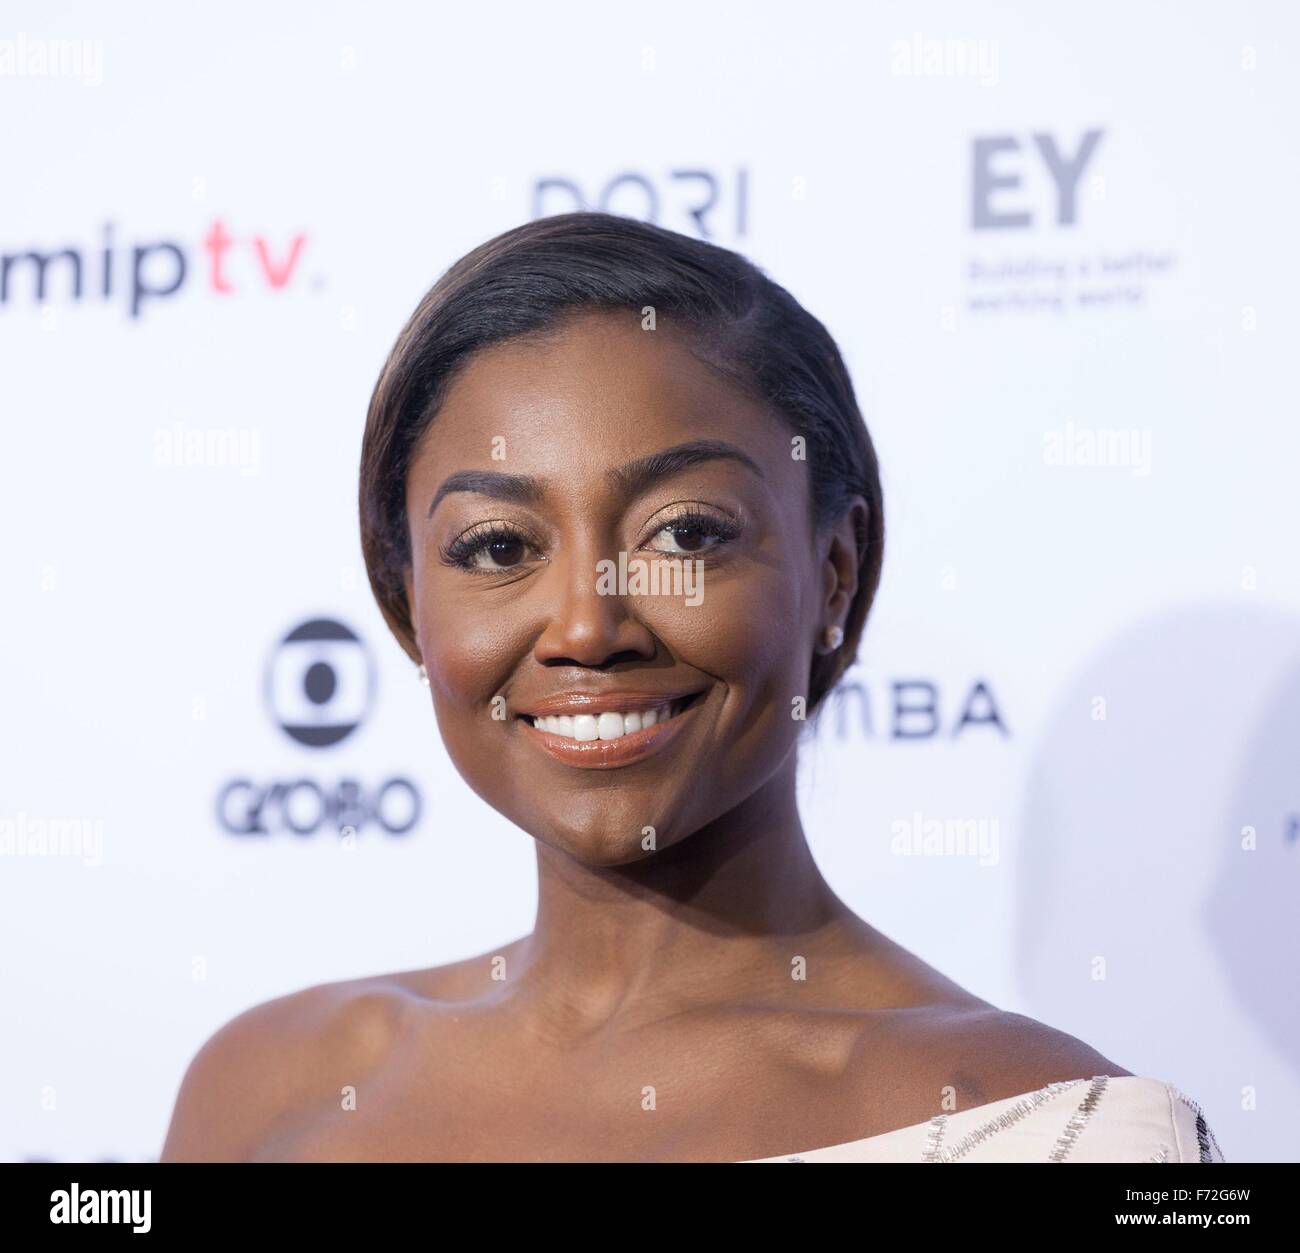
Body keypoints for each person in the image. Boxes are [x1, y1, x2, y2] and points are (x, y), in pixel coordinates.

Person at [160, 211, 1225, 1162]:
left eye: (685, 533)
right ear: (406, 604)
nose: (587, 624)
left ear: (834, 576)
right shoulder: (262, 1089)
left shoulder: (1053, 1128)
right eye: (494, 546)